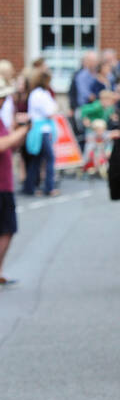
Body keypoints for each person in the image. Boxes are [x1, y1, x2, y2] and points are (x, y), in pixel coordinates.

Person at [0, 97, 29, 286]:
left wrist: (21, 131)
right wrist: (23, 129)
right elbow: (2, 144)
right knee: (7, 228)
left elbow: (11, 145)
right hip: (1, 185)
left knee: (7, 229)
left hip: (4, 182)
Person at [23, 69, 59, 197]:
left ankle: (30, 186)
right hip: (41, 131)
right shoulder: (39, 94)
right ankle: (49, 187)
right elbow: (49, 112)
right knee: (49, 158)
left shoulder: (42, 93)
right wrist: (54, 109)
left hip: (43, 129)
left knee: (37, 159)